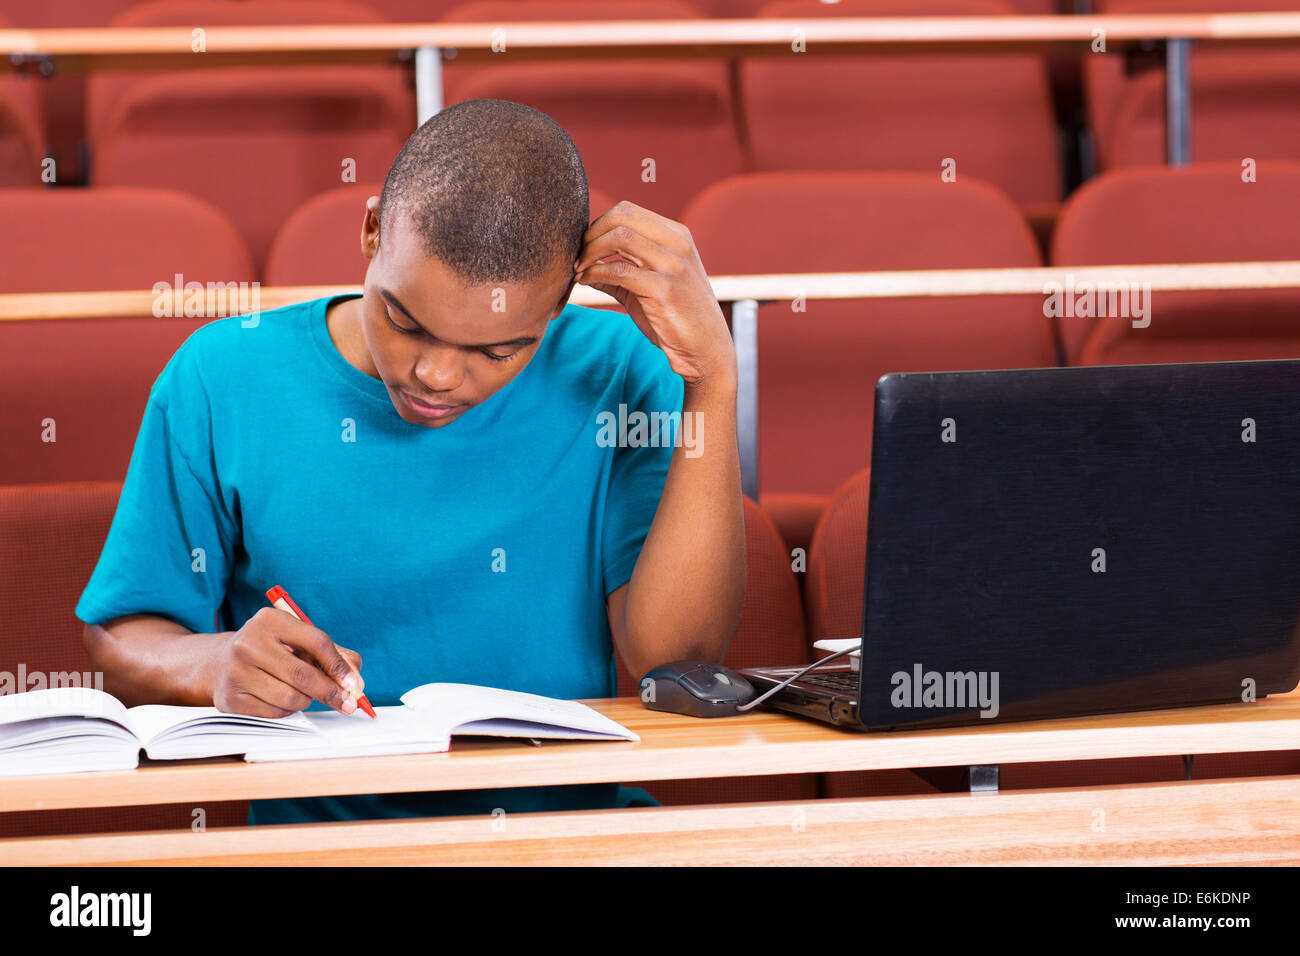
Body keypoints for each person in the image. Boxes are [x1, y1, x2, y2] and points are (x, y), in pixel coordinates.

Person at [77, 98, 746, 823]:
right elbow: (121, 637)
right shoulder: (220, 377)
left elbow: (673, 658)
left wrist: (712, 378)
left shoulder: (620, 373)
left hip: (570, 833)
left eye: (497, 350)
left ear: (560, 303)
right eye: (405, 320)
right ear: (371, 230)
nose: (436, 375)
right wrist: (213, 664)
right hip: (316, 849)